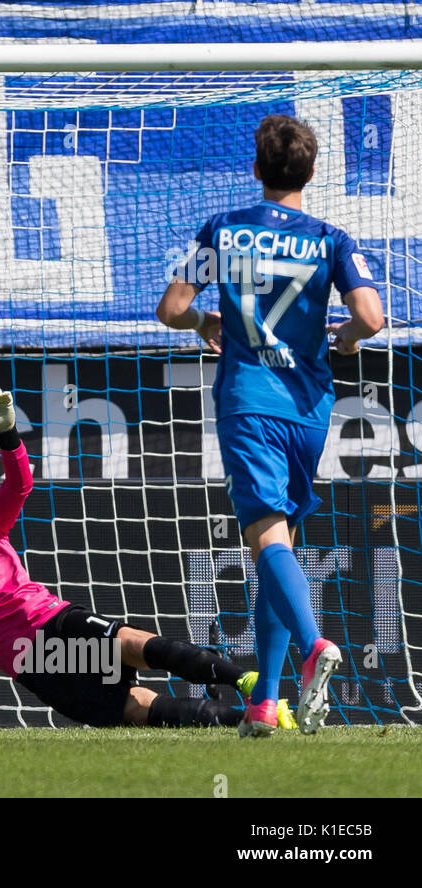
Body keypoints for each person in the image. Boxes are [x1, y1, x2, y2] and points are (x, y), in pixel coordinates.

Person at [0, 388, 286, 730]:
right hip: (36, 663)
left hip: (51, 620)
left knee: (132, 645)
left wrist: (6, 434)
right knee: (138, 709)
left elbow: (20, 484)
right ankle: (251, 721)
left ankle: (248, 682)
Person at [155, 114, 383, 737]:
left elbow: (171, 307)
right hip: (310, 410)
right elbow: (372, 314)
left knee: (265, 538)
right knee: (274, 547)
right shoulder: (332, 237)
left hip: (250, 400)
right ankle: (265, 704)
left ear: (255, 170)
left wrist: (204, 325)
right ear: (311, 173)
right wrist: (349, 338)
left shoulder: (223, 229)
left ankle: (314, 647)